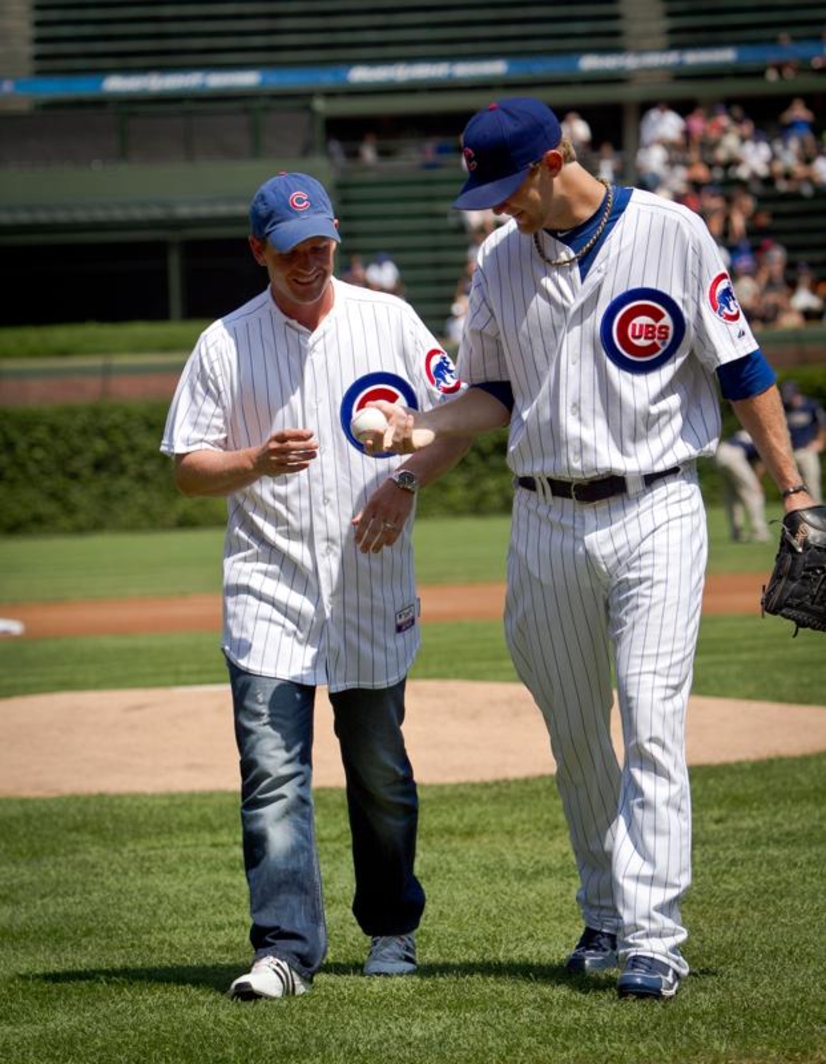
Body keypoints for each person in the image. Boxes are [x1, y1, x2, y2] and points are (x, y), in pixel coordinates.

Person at [367, 97, 816, 1001]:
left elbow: (744, 370)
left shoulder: (673, 232)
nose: (497, 206)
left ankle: (653, 937)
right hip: (543, 517)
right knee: (575, 735)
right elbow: (490, 397)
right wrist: (415, 431)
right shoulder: (498, 262)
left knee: (652, 720)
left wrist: (796, 490)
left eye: (507, 186)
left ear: (553, 160)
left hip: (655, 507)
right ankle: (605, 911)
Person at [161, 172, 469, 1001]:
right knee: (272, 776)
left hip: (371, 587)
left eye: (323, 243)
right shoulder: (224, 343)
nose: (312, 259)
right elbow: (189, 470)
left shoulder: (390, 319)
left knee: (380, 775)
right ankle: (286, 951)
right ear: (259, 250)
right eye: (294, 248)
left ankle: (393, 930)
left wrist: (405, 483)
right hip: (269, 591)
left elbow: (457, 417)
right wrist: (253, 461)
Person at [714, 429, 770, 542]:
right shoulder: (764, 435)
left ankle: (736, 532)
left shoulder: (746, 431)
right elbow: (762, 461)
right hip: (734, 455)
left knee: (732, 496)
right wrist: (757, 482)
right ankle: (759, 532)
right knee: (755, 494)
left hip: (719, 453)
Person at [780, 379, 826, 502]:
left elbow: (822, 424)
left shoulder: (811, 405)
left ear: (797, 393)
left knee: (812, 484)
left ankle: (818, 516)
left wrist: (820, 442)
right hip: (790, 452)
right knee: (792, 487)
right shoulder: (784, 408)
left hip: (807, 450)